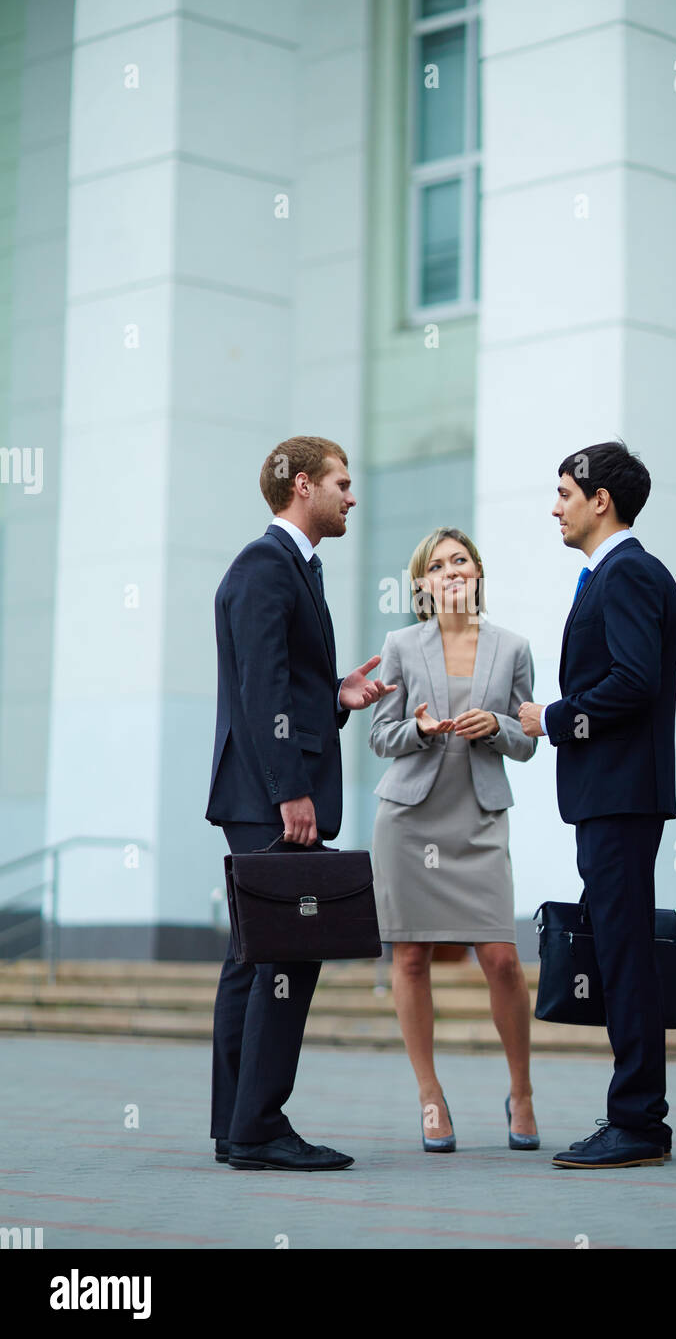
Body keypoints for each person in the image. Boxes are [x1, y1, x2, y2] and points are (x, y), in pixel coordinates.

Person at [205, 436, 394, 1171]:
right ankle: (259, 1127)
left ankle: (237, 1124)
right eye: (343, 483)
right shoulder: (266, 565)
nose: (351, 497)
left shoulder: (293, 569)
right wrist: (292, 790)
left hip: (263, 790)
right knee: (286, 956)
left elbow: (284, 681)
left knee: (253, 958)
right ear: (304, 485)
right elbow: (260, 689)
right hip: (271, 795)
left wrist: (336, 695)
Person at [519, 441, 676, 1169]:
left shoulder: (628, 573)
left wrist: (553, 719)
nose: (555, 507)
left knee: (624, 956)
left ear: (601, 501)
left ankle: (638, 1122)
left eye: (564, 492)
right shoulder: (617, 573)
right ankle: (636, 1116)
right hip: (614, 793)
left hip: (619, 794)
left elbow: (633, 681)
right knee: (621, 952)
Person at [369, 528, 540, 1152]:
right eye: (437, 566)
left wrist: (495, 724)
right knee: (411, 958)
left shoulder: (514, 647)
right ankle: (430, 1096)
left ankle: (520, 1091)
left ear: (477, 573)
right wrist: (416, 729)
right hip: (409, 818)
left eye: (460, 562)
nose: (451, 573)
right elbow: (380, 735)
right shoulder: (400, 646)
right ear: (422, 584)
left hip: (479, 817)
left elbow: (526, 740)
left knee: (501, 958)